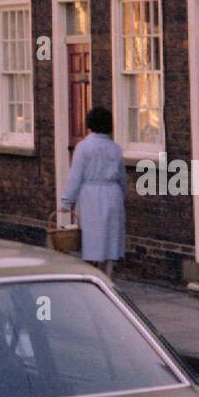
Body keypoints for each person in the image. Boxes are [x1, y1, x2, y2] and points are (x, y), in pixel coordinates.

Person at [60, 105, 125, 278]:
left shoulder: (83, 147)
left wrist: (66, 202)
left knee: (91, 235)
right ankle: (109, 273)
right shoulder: (116, 148)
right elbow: (122, 176)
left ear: (90, 125)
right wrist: (122, 195)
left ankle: (92, 274)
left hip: (91, 194)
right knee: (111, 234)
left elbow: (75, 176)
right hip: (113, 192)